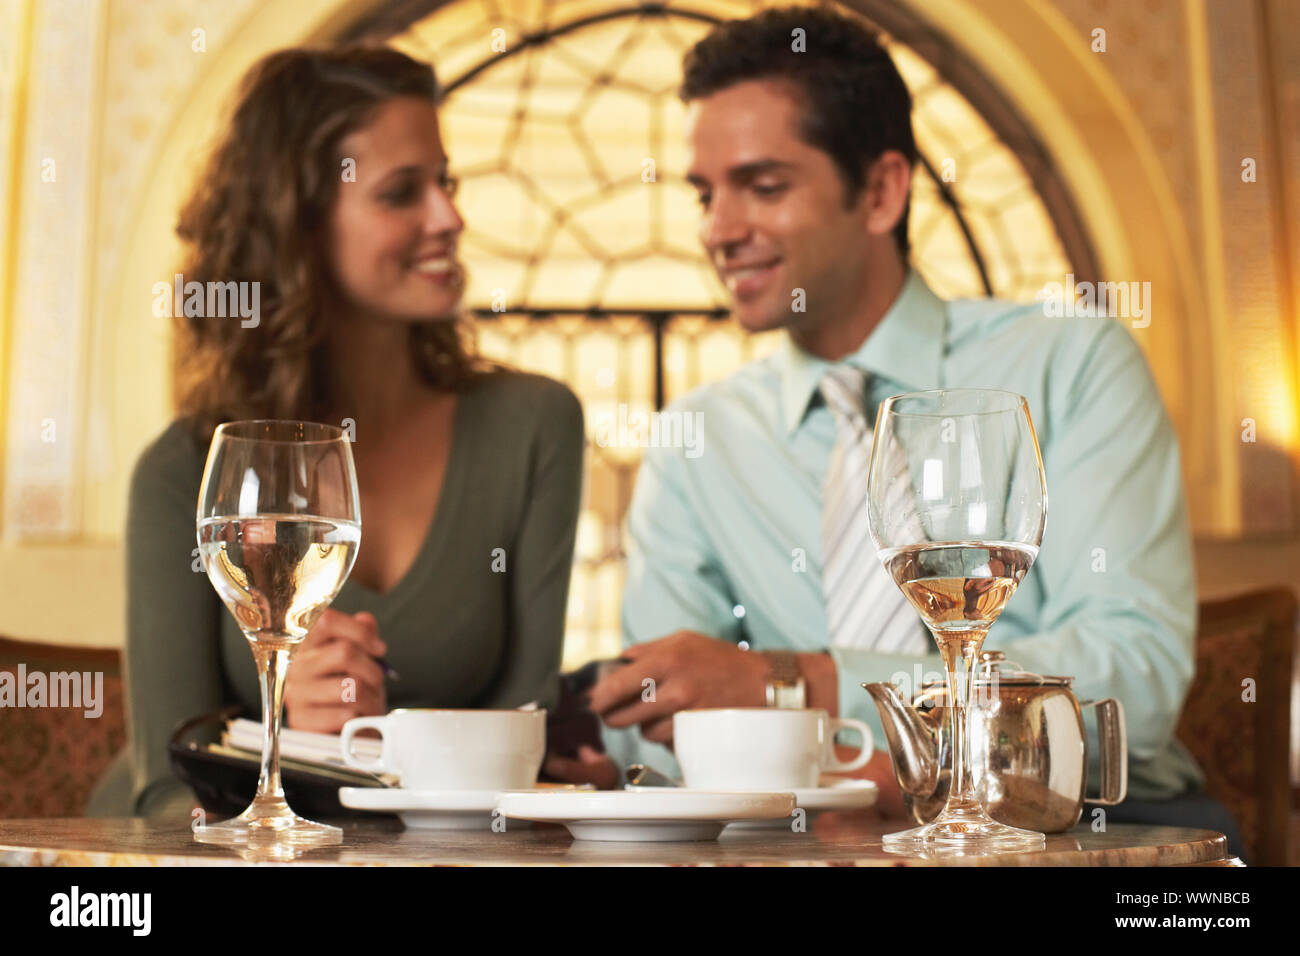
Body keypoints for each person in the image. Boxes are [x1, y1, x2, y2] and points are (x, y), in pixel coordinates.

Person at [543, 6, 1243, 854]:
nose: (718, 230)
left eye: (763, 187)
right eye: (704, 193)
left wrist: (796, 683)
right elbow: (665, 720)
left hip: (1087, 832)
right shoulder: (699, 439)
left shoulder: (1072, 363)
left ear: (880, 191)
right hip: (809, 839)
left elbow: (1134, 677)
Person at [88, 46, 585, 819]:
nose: (449, 217)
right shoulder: (184, 468)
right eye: (401, 193)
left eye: (445, 181)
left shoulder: (534, 426)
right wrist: (287, 733)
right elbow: (159, 794)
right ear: (301, 228)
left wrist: (376, 741)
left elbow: (518, 751)